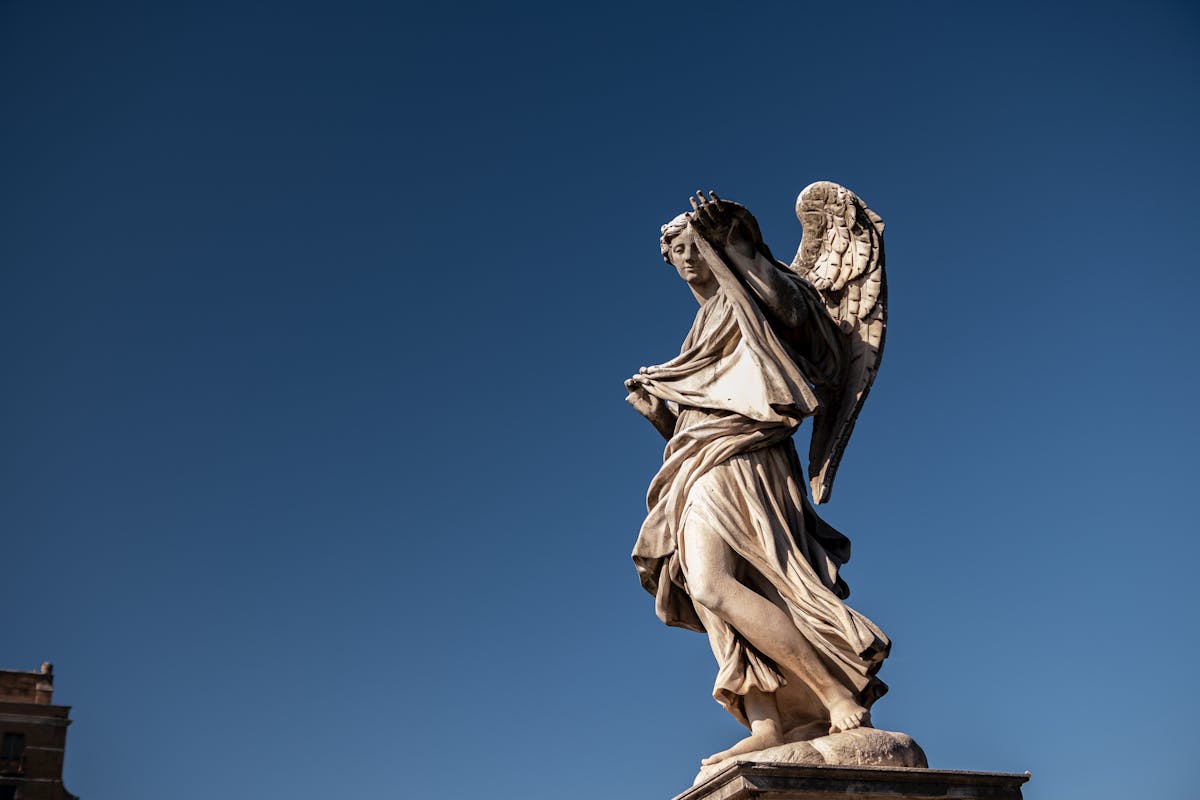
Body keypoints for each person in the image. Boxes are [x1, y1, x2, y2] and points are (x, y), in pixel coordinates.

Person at [626, 193, 889, 765]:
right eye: (673, 249)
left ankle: (833, 692)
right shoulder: (699, 328)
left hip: (747, 455)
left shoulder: (755, 291)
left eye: (693, 243)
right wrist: (662, 417)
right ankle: (768, 720)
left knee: (719, 581)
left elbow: (799, 320)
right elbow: (710, 404)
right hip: (697, 458)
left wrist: (743, 252)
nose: (684, 255)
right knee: (713, 586)